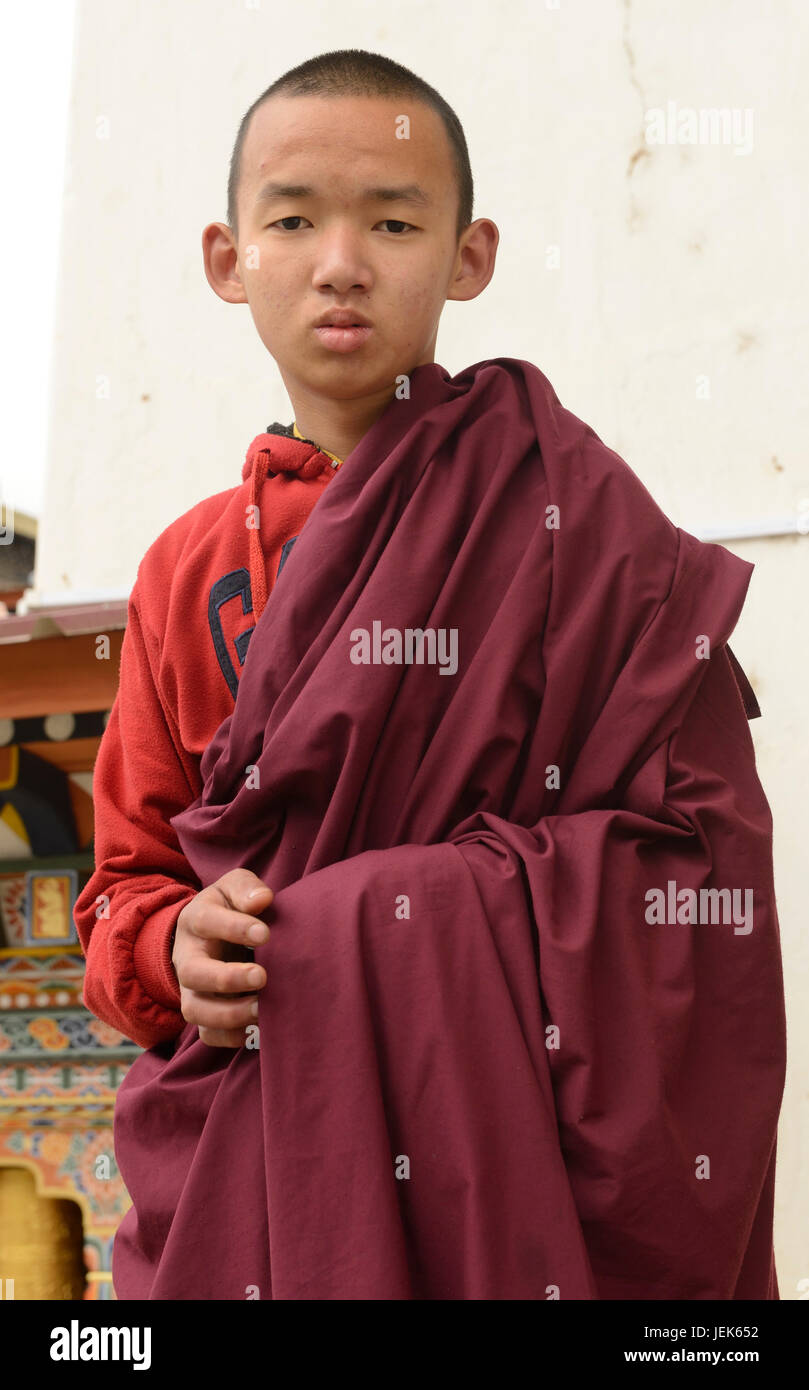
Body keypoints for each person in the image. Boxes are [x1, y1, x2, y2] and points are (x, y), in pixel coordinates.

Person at [73, 48, 786, 1301]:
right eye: (292, 218)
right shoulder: (186, 574)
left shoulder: (573, 524)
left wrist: (377, 917)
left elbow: (695, 867)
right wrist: (176, 942)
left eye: (392, 221)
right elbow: (124, 888)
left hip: (501, 1168)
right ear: (227, 259)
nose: (341, 261)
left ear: (469, 255)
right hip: (255, 1157)